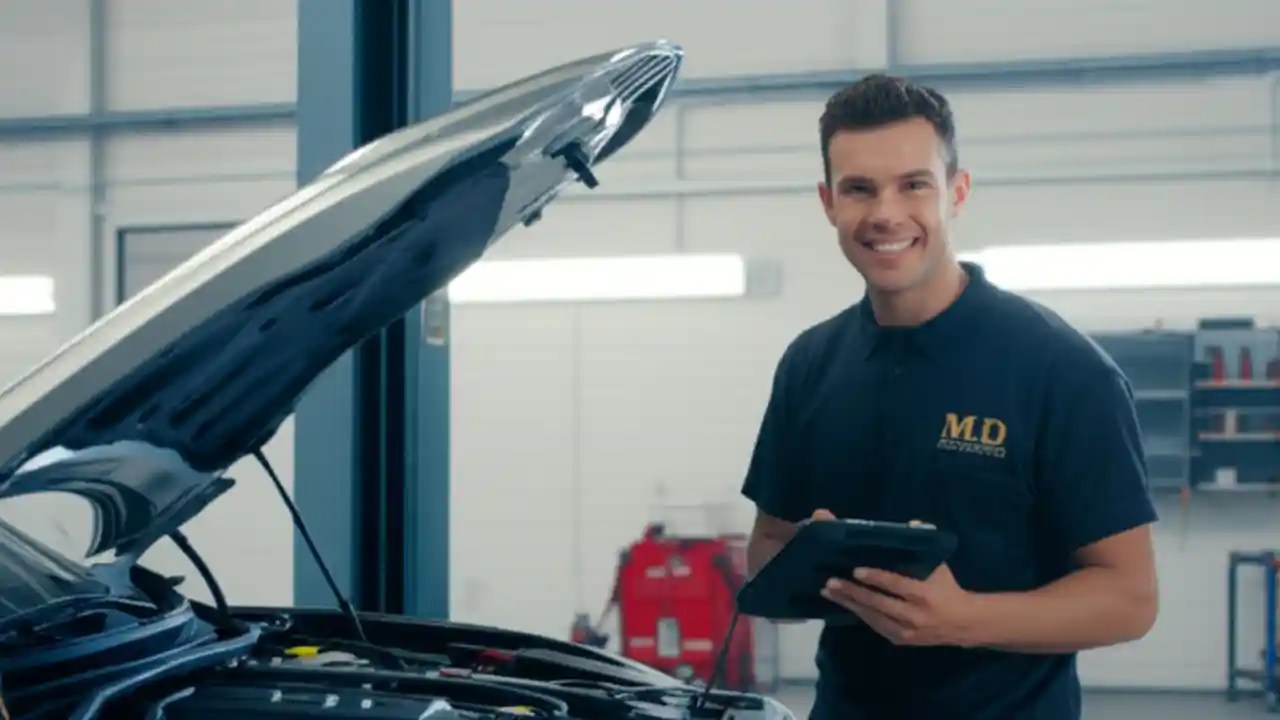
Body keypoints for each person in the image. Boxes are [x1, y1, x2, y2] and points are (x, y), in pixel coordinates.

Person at [739, 74, 1160, 719]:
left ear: (956, 193)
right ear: (828, 202)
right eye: (859, 189)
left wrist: (963, 619)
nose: (885, 213)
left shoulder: (1061, 369)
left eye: (914, 185)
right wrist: (816, 563)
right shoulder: (810, 364)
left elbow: (1130, 598)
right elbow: (766, 546)